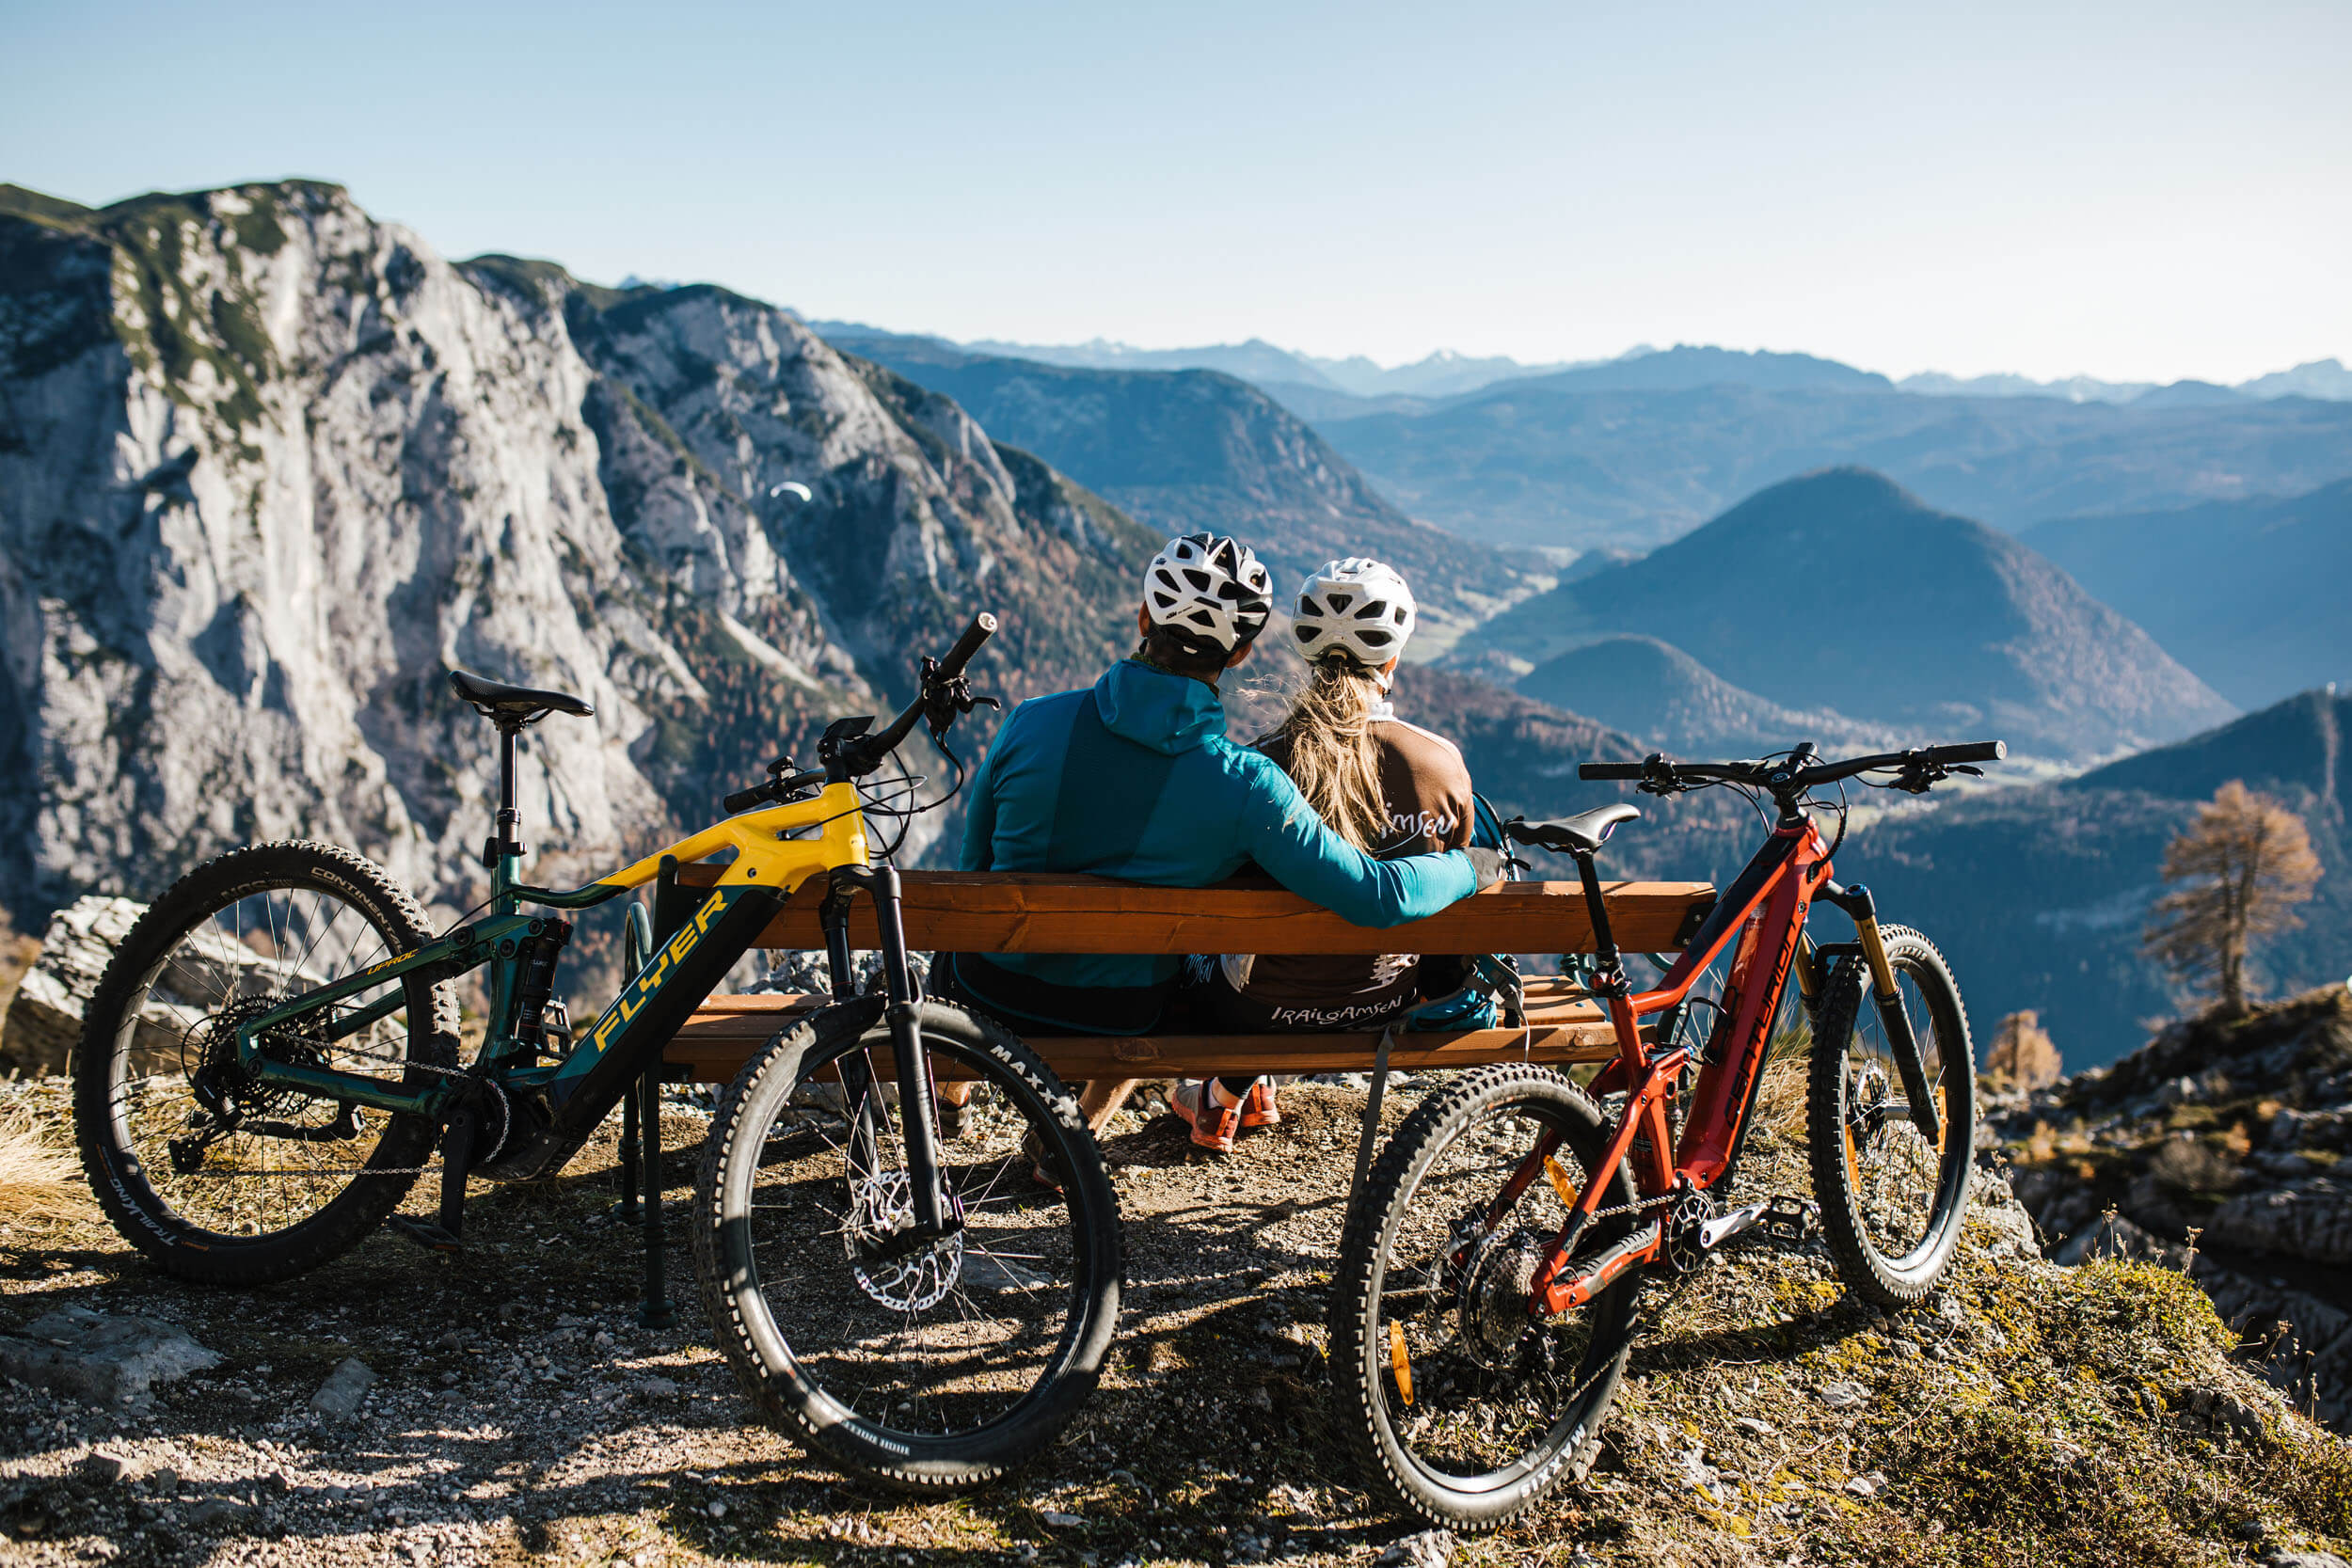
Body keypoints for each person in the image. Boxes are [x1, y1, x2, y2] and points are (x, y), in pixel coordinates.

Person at [941, 533, 1508, 1153]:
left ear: (1143, 618)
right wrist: (1472, 864)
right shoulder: (1244, 784)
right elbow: (1375, 896)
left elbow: (973, 873)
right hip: (1123, 1010)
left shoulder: (1030, 721)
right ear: (1240, 652)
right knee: (1167, 969)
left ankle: (947, 1102)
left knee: (955, 952)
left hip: (986, 988)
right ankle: (1067, 1145)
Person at [1175, 558, 1481, 1144]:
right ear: (1392, 661)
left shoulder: (1261, 764)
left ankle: (1223, 1091)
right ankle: (1233, 1092)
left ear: (1308, 654)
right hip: (1387, 1000)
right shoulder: (1441, 764)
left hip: (1259, 1009)